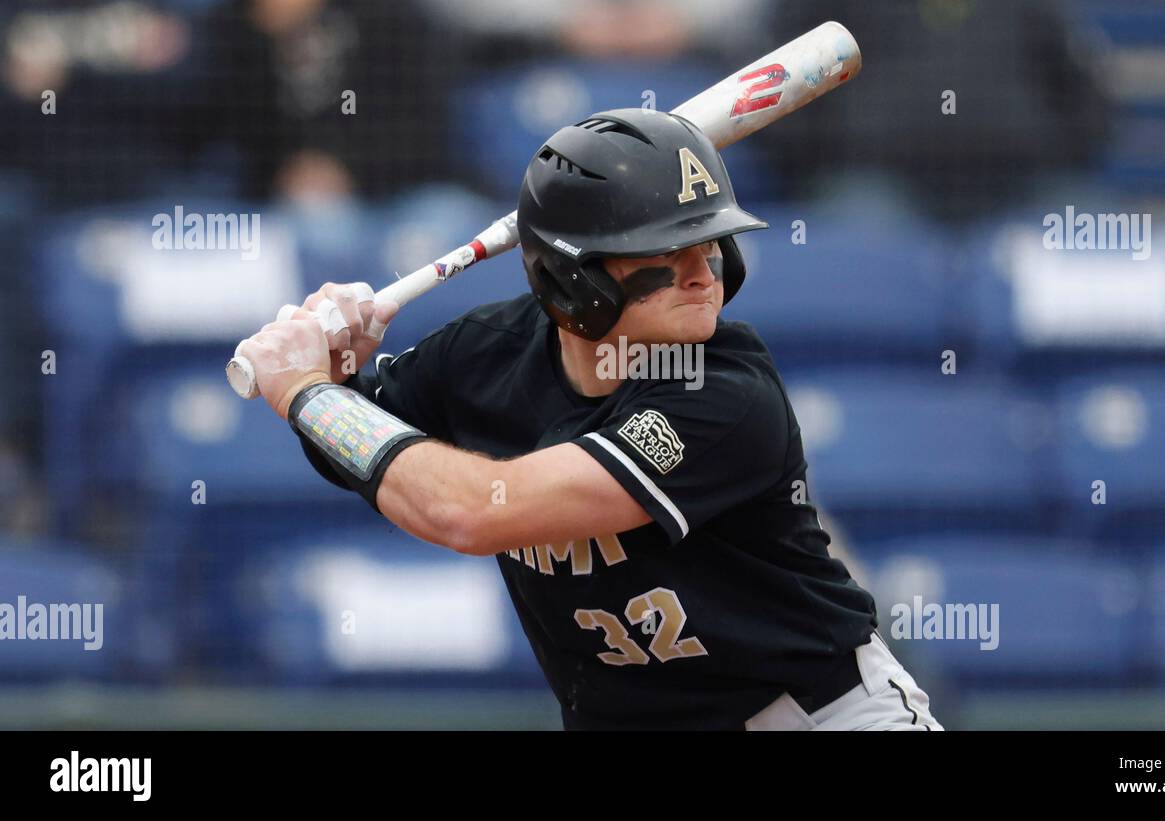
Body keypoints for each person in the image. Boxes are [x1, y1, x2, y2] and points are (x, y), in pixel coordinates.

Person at [235, 108, 943, 730]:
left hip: (814, 715)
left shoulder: (723, 391)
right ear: (574, 280)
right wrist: (339, 375)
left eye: (712, 244)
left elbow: (467, 512)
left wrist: (307, 391)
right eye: (667, 253)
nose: (705, 273)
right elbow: (354, 449)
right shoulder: (483, 355)